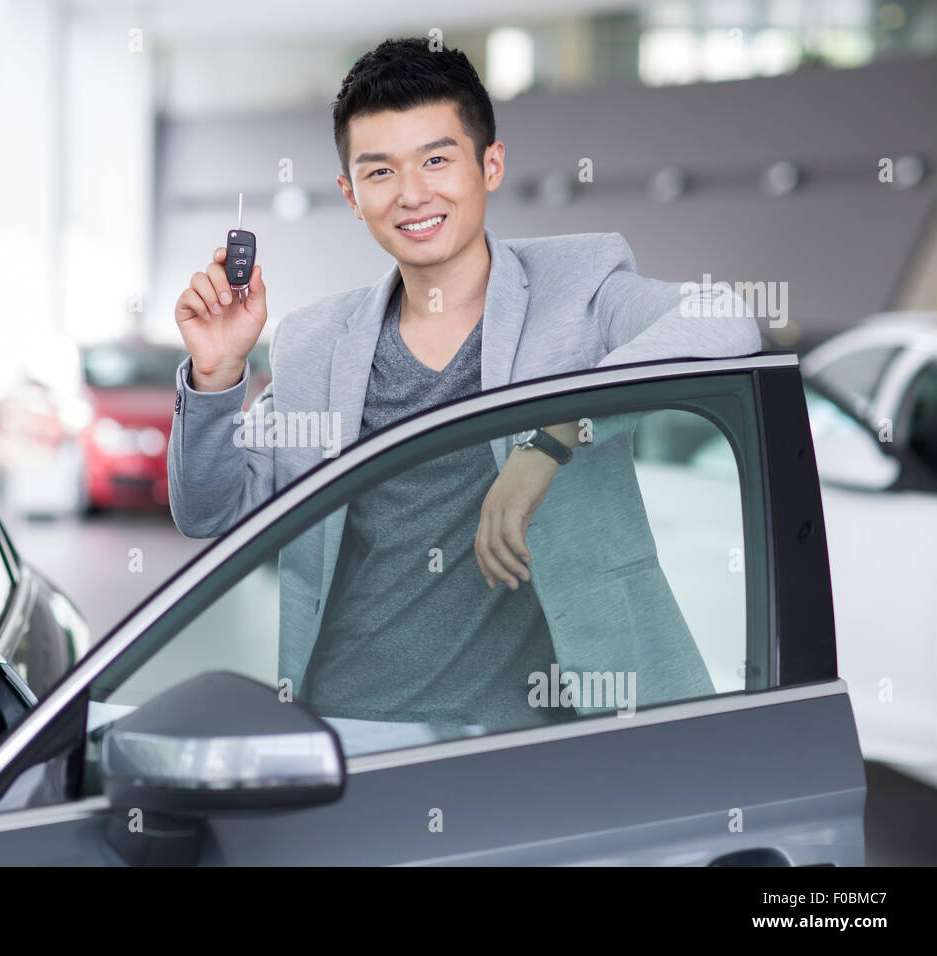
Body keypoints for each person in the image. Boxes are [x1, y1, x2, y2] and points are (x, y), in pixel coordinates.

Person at [167, 37, 761, 728]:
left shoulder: (581, 285)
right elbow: (210, 512)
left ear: (492, 164)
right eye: (380, 171)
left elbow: (725, 322)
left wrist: (548, 444)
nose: (413, 193)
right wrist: (217, 373)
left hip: (548, 740)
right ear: (351, 196)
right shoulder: (314, 342)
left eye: (438, 159)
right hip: (351, 731)